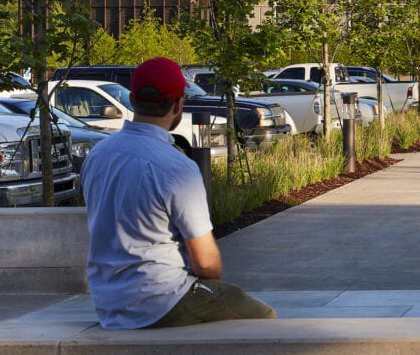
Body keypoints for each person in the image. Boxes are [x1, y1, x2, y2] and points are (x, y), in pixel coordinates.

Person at [81, 56, 276, 329]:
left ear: (132, 100)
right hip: (160, 300)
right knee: (264, 319)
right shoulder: (177, 167)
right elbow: (207, 264)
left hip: (108, 302)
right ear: (178, 104)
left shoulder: (98, 155)